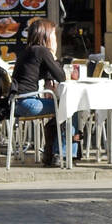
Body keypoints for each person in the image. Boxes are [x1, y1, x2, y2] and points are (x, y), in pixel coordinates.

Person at [10, 18, 78, 167]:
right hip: (29, 103)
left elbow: (44, 72)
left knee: (63, 108)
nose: (55, 38)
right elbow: (60, 76)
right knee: (71, 108)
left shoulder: (29, 50)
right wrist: (53, 54)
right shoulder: (42, 51)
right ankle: (62, 153)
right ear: (46, 36)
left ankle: (51, 152)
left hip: (18, 102)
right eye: (53, 34)